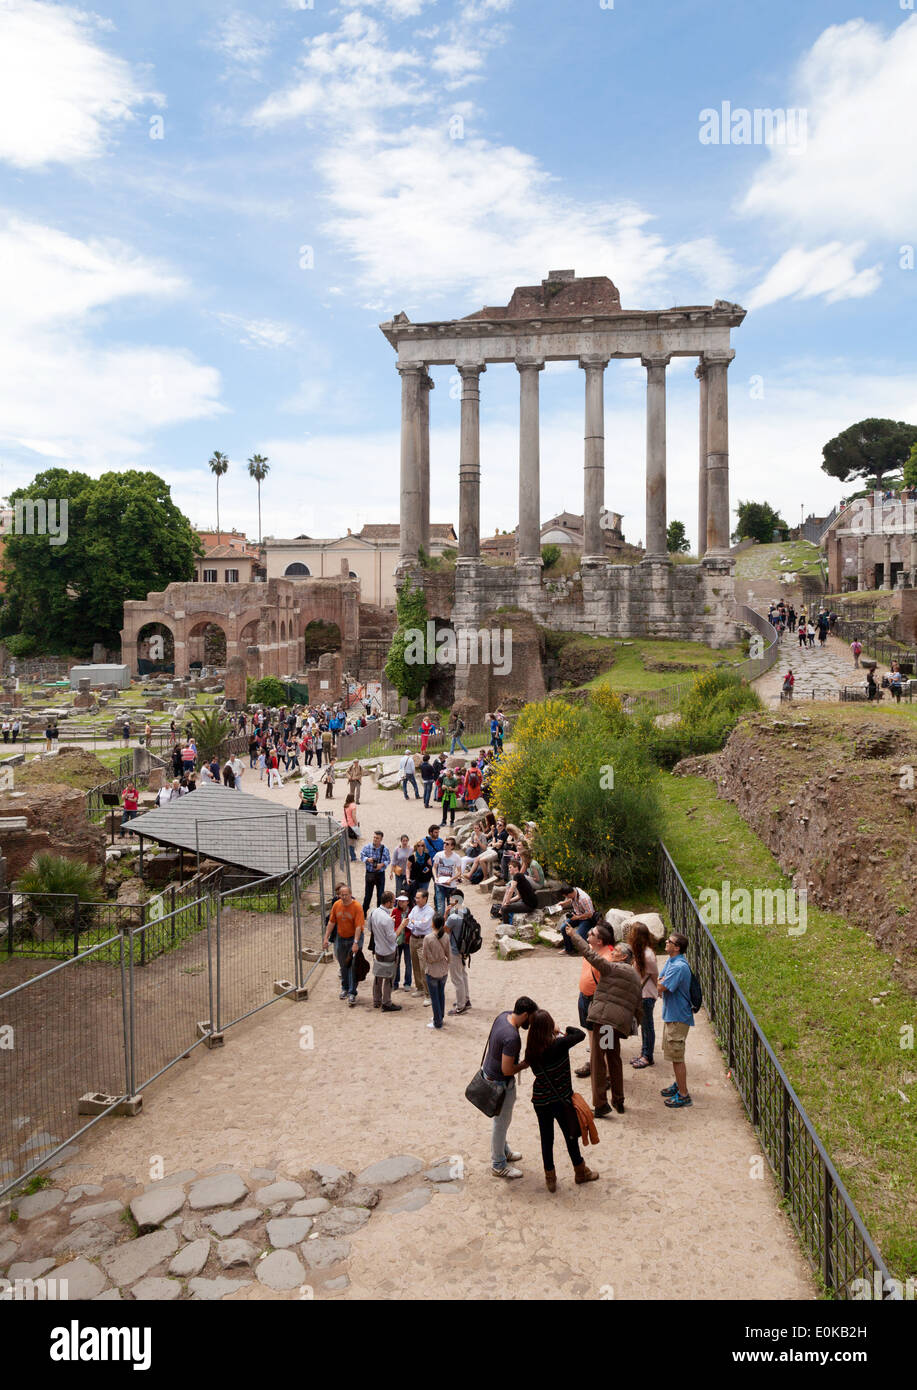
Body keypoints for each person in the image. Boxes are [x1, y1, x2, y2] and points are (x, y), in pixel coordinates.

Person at [564, 925, 643, 1119]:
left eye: (616, 952)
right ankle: (619, 1100)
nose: (612, 953)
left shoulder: (612, 968)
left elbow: (590, 955)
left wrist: (574, 936)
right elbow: (639, 1009)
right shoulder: (635, 977)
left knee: (598, 1061)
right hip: (616, 1026)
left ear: (624, 957)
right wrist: (629, 1027)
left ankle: (600, 1104)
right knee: (614, 1060)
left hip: (604, 1022)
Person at [524, 1011, 598, 1190]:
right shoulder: (560, 1044)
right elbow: (578, 1034)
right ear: (550, 1027)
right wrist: (560, 1030)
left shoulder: (531, 1050)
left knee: (546, 1138)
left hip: (541, 1099)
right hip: (561, 1099)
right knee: (570, 1135)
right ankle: (580, 1172)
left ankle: (550, 1177)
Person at [482, 997, 538, 1179]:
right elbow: (507, 1069)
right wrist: (524, 1064)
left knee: (501, 1122)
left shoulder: (503, 1016)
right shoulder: (512, 1037)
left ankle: (503, 1152)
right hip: (500, 1082)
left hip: (489, 1074)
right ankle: (498, 1164)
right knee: (501, 1124)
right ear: (525, 1014)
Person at [572, 917, 616, 1080]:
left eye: (592, 933)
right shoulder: (591, 948)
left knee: (606, 1037)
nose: (588, 933)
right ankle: (595, 1064)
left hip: (600, 1001)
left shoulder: (609, 958)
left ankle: (610, 1074)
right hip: (585, 997)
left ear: (600, 940)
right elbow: (581, 944)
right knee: (591, 1033)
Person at [659, 931, 694, 1108]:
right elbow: (660, 979)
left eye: (669, 941)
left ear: (677, 947)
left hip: (678, 1017)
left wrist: (661, 984)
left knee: (677, 1056)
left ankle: (684, 1094)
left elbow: (661, 986)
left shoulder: (678, 966)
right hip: (671, 1014)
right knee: (673, 1055)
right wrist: (661, 983)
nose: (666, 942)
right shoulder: (671, 961)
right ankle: (679, 1085)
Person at [322, 884, 365, 1007]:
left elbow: (358, 926)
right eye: (342, 895)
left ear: (350, 894)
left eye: (346, 895)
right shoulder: (337, 905)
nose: (344, 897)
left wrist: (356, 943)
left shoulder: (357, 907)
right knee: (342, 964)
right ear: (339, 895)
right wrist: (326, 938)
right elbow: (331, 922)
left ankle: (352, 992)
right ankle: (344, 987)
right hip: (341, 937)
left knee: (352, 965)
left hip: (354, 937)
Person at [626, 921, 659, 1069]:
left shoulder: (648, 955)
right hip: (641, 995)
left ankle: (648, 1056)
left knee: (648, 1027)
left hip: (646, 996)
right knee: (644, 1027)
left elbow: (654, 977)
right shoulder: (640, 952)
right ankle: (644, 1053)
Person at [368, 892, 402, 1012]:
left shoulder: (374, 912)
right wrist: (401, 925)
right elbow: (393, 937)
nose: (394, 904)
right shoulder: (387, 919)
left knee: (378, 976)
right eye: (393, 901)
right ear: (388, 902)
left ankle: (376, 1000)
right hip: (389, 951)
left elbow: (370, 928)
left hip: (378, 949)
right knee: (389, 977)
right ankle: (386, 1002)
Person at [422, 912, 450, 1029]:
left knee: (434, 997)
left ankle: (437, 1021)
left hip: (432, 970)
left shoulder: (428, 938)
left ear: (433, 924)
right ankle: (440, 1016)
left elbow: (426, 956)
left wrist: (433, 960)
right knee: (441, 994)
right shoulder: (446, 936)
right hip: (443, 969)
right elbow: (449, 954)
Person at [445, 889, 471, 1015]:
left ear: (456, 900)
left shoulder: (453, 917)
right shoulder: (466, 911)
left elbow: (444, 930)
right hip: (465, 948)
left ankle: (460, 1006)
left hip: (455, 949)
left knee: (457, 978)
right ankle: (466, 1000)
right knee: (463, 974)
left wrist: (445, 914)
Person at [406, 888, 434, 1005]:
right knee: (416, 964)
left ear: (425, 898)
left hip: (424, 940)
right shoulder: (414, 909)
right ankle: (420, 988)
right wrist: (414, 923)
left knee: (424, 967)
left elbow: (424, 925)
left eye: (418, 898)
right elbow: (408, 922)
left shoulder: (430, 911)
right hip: (413, 938)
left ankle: (428, 994)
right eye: (416, 898)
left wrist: (414, 923)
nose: (416, 900)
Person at [560, 885, 596, 955]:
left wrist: (577, 917)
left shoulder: (584, 899)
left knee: (579, 934)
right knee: (563, 928)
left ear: (569, 894)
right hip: (577, 915)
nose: (566, 898)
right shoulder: (574, 891)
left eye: (566, 896)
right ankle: (569, 949)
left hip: (587, 919)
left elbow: (590, 914)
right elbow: (571, 899)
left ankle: (586, 952)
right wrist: (564, 903)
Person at [432, 836, 463, 915]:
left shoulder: (456, 857)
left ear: (452, 846)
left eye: (447, 844)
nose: (445, 845)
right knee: (440, 907)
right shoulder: (438, 855)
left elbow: (459, 872)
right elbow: (434, 867)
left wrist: (451, 879)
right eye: (444, 843)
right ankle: (441, 925)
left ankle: (450, 925)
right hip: (440, 884)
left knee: (452, 907)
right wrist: (435, 877)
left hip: (451, 886)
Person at [361, 831, 390, 913]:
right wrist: (367, 859)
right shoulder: (367, 847)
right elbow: (362, 856)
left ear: (381, 839)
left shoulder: (385, 849)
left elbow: (388, 860)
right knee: (367, 895)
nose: (375, 839)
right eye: (374, 837)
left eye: (377, 838)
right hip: (369, 873)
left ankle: (379, 913)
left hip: (380, 874)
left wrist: (381, 865)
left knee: (380, 895)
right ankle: (364, 912)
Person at [393, 893, 412, 992]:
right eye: (399, 901)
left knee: (408, 962)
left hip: (408, 940)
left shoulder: (412, 911)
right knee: (397, 962)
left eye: (403, 901)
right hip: (398, 940)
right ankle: (395, 982)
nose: (400, 903)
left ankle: (407, 983)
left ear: (407, 902)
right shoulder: (395, 911)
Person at [407, 838, 434, 907]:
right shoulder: (412, 857)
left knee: (423, 896)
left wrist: (428, 868)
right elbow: (408, 868)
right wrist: (407, 878)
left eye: (422, 845)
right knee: (415, 896)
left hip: (425, 879)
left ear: (424, 846)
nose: (420, 847)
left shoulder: (427, 856)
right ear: (416, 846)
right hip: (415, 879)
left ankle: (423, 909)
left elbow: (430, 866)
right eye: (418, 845)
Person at [342, 792, 359, 860]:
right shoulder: (353, 805)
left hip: (344, 824)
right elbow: (353, 816)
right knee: (352, 842)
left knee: (345, 842)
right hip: (351, 825)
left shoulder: (345, 805)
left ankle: (344, 857)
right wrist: (356, 824)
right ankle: (353, 857)